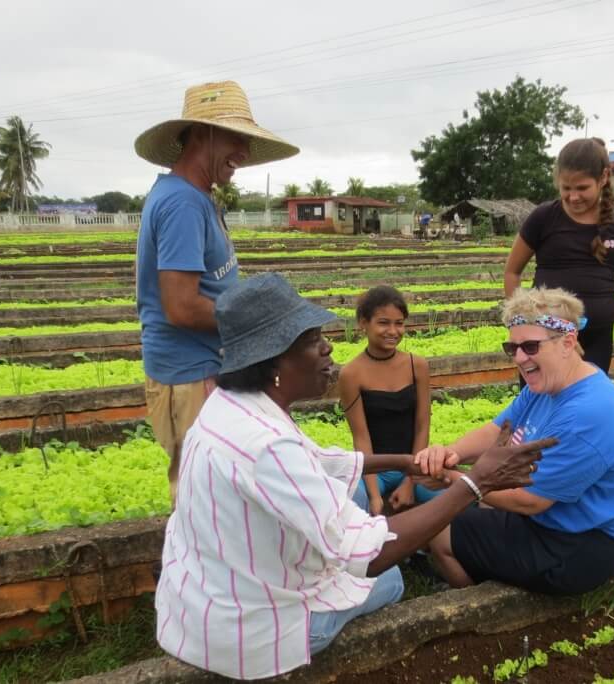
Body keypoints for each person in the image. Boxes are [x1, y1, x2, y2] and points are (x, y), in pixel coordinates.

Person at [154, 273, 553, 681]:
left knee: (355, 507)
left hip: (199, 607)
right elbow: (370, 556)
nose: (327, 347)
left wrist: (406, 463)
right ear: (274, 361)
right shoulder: (267, 444)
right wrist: (475, 482)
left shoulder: (230, 406)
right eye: (312, 340)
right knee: (390, 579)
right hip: (251, 631)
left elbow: (317, 461)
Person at [134, 80, 299, 501]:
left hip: (201, 367)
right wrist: (258, 322)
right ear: (202, 133)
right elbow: (181, 306)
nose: (244, 152)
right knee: (202, 497)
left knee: (216, 493)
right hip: (190, 375)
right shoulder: (183, 204)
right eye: (235, 138)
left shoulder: (197, 198)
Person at [420, 287, 614, 595]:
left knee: (438, 528)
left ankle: (478, 603)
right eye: (512, 348)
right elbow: (498, 430)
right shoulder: (552, 383)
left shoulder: (586, 414)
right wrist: (450, 454)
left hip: (577, 545)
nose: (520, 357)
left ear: (567, 343)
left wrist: (455, 480)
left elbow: (530, 500)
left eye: (530, 346)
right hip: (562, 520)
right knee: (460, 504)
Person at [503, 137, 614, 390]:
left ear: (603, 178)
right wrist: (525, 323)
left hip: (597, 340)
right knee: (540, 406)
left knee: (585, 406)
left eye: (582, 188)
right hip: (544, 341)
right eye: (566, 188)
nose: (573, 196)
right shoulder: (544, 217)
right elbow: (512, 272)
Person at [338, 286, 434, 515]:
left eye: (399, 323)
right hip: (374, 471)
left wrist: (410, 480)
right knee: (352, 503)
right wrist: (374, 496)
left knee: (455, 496)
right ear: (363, 323)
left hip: (414, 464)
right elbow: (361, 437)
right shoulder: (351, 374)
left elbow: (422, 425)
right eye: (383, 323)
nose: (393, 331)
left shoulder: (417, 365)